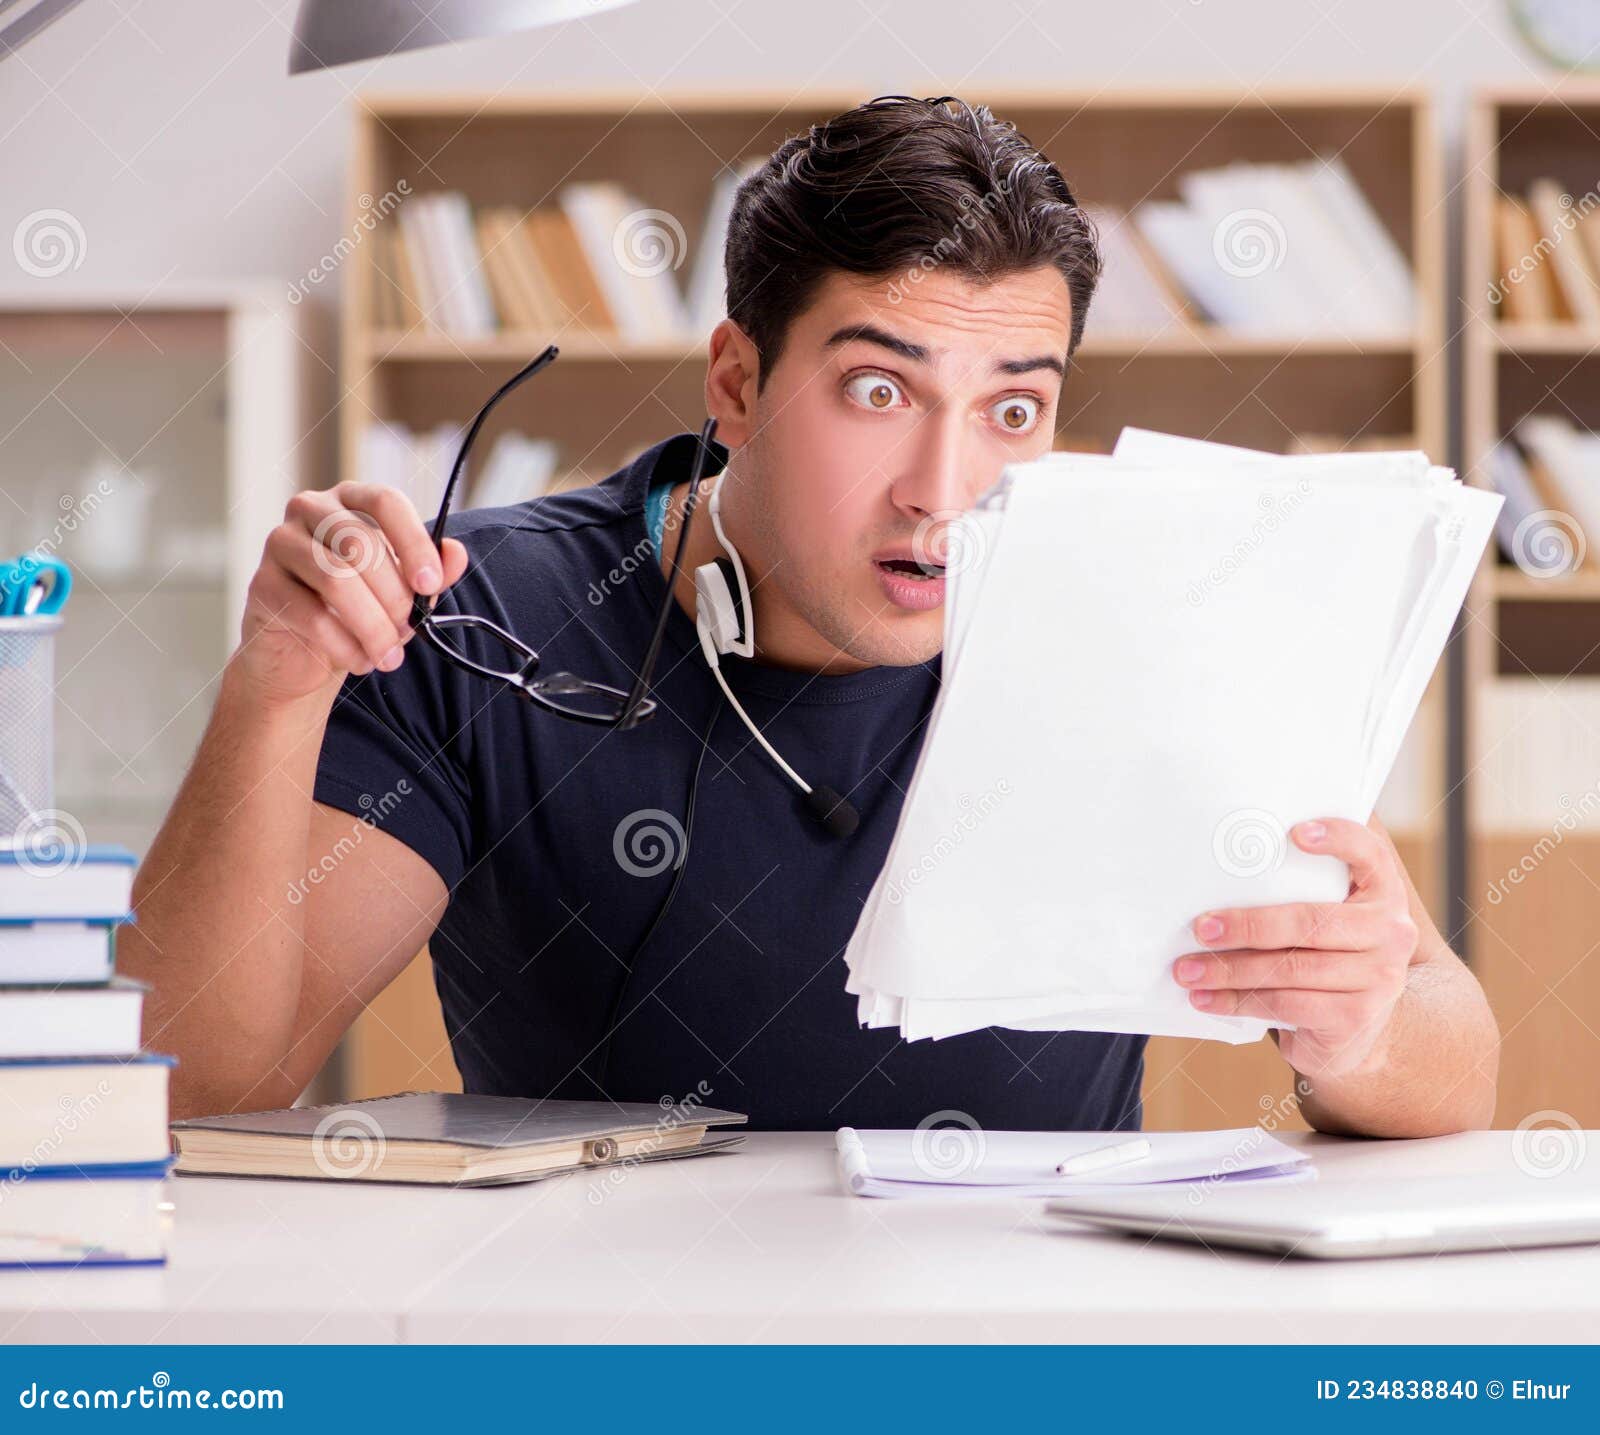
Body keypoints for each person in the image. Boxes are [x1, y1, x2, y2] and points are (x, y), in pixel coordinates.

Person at [122, 94, 1498, 1134]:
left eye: (1013, 409)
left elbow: (1454, 1061)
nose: (945, 492)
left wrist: (1362, 1029)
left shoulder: (1149, 611)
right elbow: (196, 1092)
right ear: (735, 383)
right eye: (878, 391)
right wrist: (277, 681)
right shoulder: (488, 615)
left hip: (1037, 1342)